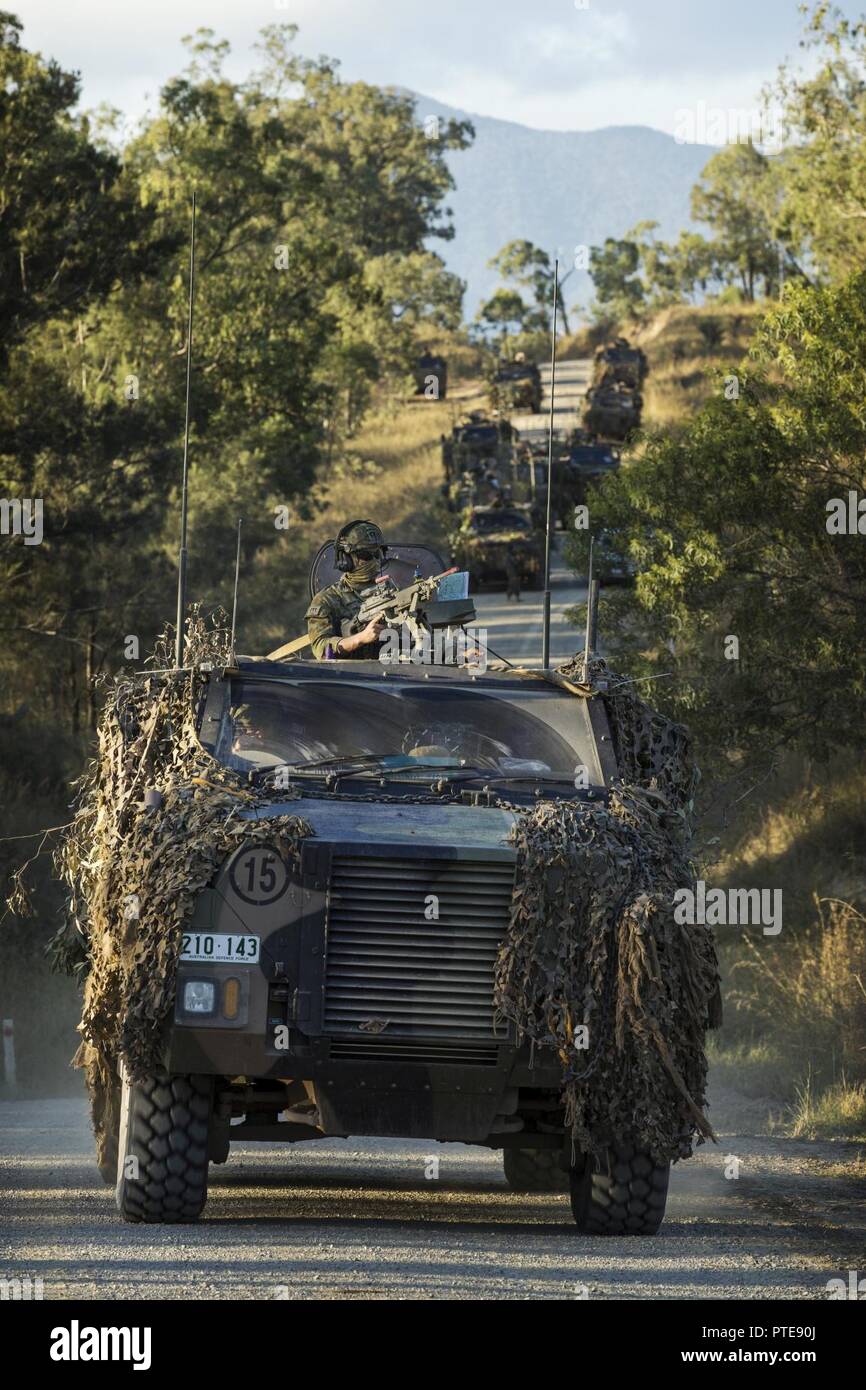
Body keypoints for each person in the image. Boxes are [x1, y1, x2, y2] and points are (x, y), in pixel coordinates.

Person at [305, 519, 389, 659]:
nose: (374, 561)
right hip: (349, 676)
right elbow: (321, 648)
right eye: (365, 556)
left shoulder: (389, 592)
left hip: (394, 674)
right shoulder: (327, 599)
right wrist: (361, 638)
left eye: (378, 554)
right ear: (346, 560)